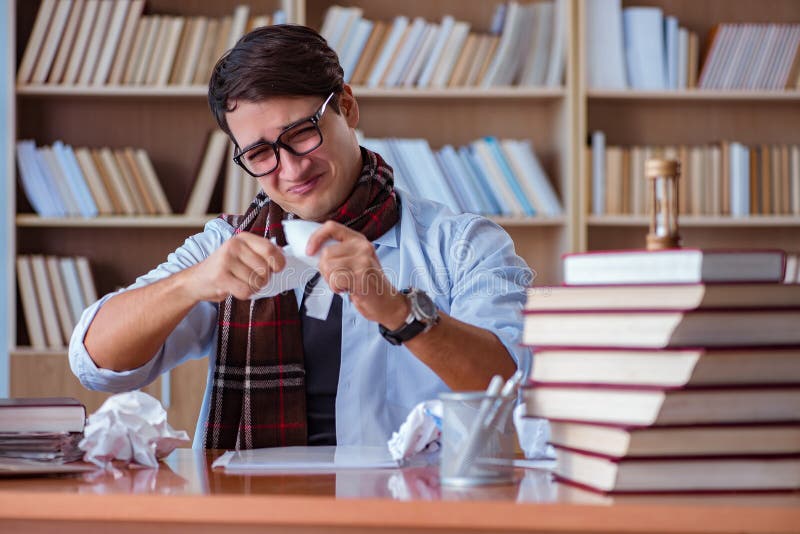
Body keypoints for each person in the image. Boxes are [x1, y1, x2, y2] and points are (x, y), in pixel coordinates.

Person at [69, 24, 533, 450]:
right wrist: (190, 284)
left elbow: (510, 386)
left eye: (303, 134)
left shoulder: (461, 244)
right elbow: (94, 364)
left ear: (346, 107)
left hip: (407, 507)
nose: (290, 169)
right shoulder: (225, 245)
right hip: (253, 509)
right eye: (259, 153)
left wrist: (397, 310)